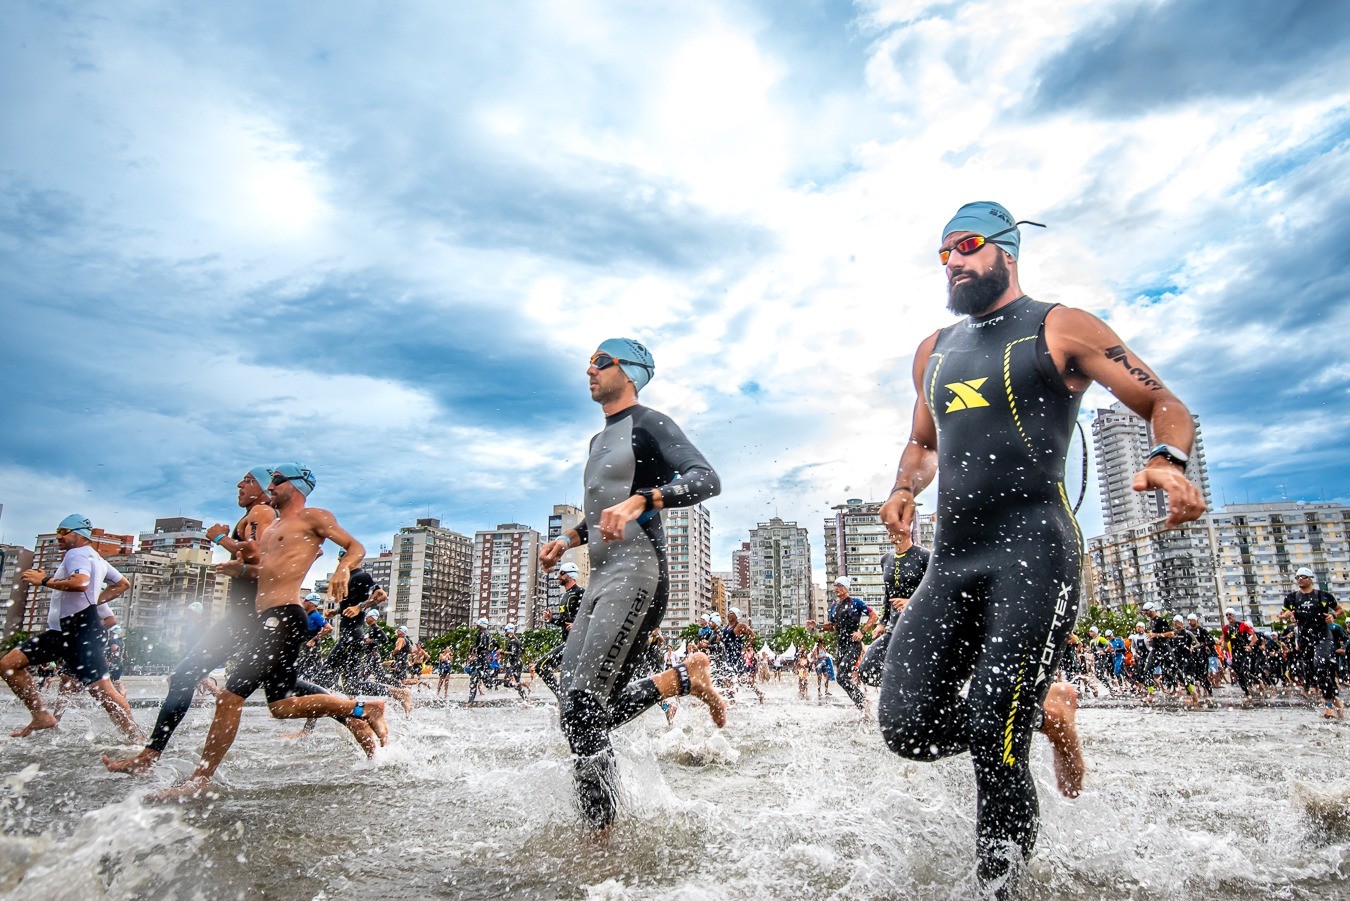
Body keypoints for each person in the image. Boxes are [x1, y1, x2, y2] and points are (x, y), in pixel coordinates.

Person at [876, 201, 1207, 890]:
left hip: (1034, 555)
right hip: (954, 560)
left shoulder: (1061, 326)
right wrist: (904, 488)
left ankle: (998, 886)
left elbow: (1164, 402)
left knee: (997, 742)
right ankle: (1045, 712)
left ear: (1005, 250)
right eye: (943, 252)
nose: (954, 261)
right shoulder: (933, 352)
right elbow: (922, 442)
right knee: (905, 725)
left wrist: (1169, 460)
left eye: (966, 245)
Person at [537, 337, 726, 829]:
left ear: (632, 369)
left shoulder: (651, 424)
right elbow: (604, 510)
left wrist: (646, 500)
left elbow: (706, 479)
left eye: (600, 361)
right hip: (599, 577)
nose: (589, 370)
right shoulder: (598, 441)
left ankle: (600, 837)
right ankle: (682, 679)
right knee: (572, 703)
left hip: (639, 574)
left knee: (582, 708)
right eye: (589, 363)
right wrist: (571, 538)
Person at [148, 463, 388, 801]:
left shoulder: (313, 517)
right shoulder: (274, 526)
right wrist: (242, 567)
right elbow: (267, 569)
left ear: (297, 486)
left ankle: (198, 782)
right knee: (281, 707)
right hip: (269, 618)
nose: (271, 486)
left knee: (229, 698)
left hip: (284, 617)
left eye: (277, 481)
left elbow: (355, 546)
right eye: (271, 480)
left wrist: (342, 569)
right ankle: (362, 708)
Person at [4, 514, 139, 738]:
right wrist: (95, 601)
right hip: (63, 631)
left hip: (81, 632)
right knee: (9, 664)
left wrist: (44, 581)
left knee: (104, 692)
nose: (58, 537)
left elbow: (80, 582)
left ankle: (137, 739)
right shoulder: (97, 558)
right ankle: (41, 716)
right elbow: (122, 584)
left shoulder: (75, 554)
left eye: (63, 532)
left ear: (78, 535)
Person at [860, 533, 930, 686]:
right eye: (888, 526)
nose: (891, 530)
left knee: (922, 676)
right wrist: (882, 622)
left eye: (896, 524)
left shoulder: (925, 556)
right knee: (866, 670)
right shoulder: (886, 559)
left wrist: (912, 602)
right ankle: (901, 689)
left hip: (920, 629)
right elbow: (888, 593)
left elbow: (937, 590)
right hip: (894, 629)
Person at [1279, 566, 1343, 718]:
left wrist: (1333, 615)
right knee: (1314, 672)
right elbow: (1281, 615)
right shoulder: (1292, 598)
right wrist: (1285, 615)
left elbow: (1341, 611)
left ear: (1310, 578)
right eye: (1297, 577)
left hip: (1323, 637)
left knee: (1321, 666)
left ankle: (1328, 706)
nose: (1300, 579)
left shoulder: (1323, 596)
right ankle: (1335, 697)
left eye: (1303, 577)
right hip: (1305, 639)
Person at [812, 578, 877, 716]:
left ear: (846, 587)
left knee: (841, 676)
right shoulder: (834, 605)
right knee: (841, 678)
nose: (836, 588)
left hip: (854, 645)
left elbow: (874, 616)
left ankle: (863, 702)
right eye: (835, 585)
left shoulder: (856, 602)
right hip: (841, 645)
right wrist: (817, 626)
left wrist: (862, 632)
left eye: (839, 585)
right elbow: (831, 626)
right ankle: (862, 703)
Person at [537, 562, 583, 697]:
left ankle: (562, 698)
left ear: (569, 575)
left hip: (576, 643)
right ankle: (566, 700)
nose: (558, 576)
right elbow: (565, 623)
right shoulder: (564, 596)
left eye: (561, 573)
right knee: (571, 678)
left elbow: (593, 616)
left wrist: (578, 625)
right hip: (567, 642)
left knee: (541, 666)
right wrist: (552, 620)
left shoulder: (581, 593)